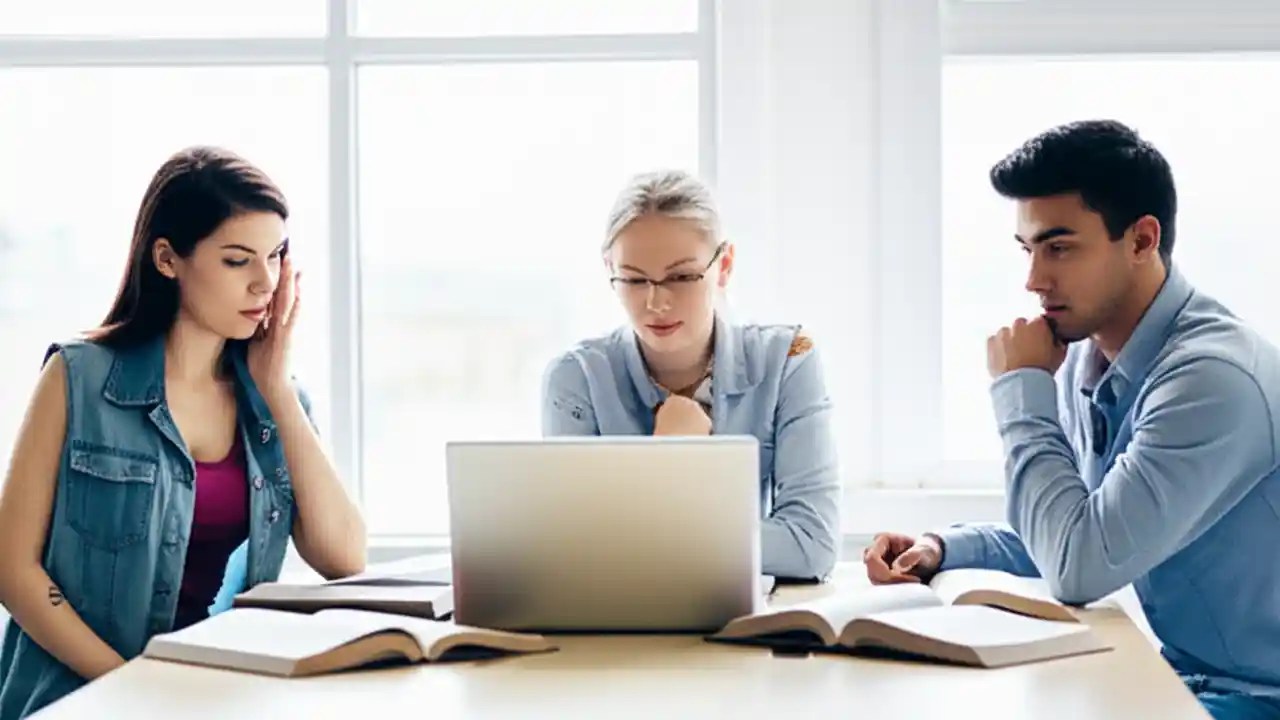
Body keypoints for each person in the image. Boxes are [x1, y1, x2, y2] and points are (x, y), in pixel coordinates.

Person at [864, 120, 1280, 719]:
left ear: (1141, 240)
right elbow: (1082, 527)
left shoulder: (1209, 380)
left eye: (1058, 248)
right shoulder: (1089, 359)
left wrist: (1019, 391)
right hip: (1190, 684)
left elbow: (1079, 565)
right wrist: (941, 548)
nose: (1033, 280)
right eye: (1028, 249)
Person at [0, 147, 368, 719]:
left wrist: (276, 387)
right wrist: (132, 688)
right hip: (75, 701)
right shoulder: (77, 377)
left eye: (276, 256)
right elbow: (12, 568)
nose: (265, 282)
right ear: (168, 259)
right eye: (237, 260)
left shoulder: (278, 401)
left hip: (221, 699)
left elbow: (343, 557)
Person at [541, 169, 841, 580]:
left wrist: (645, 525)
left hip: (737, 619)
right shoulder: (576, 378)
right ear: (610, 269)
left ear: (725, 266)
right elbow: (572, 551)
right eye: (633, 279)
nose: (656, 301)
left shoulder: (789, 359)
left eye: (682, 277)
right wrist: (667, 456)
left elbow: (811, 546)